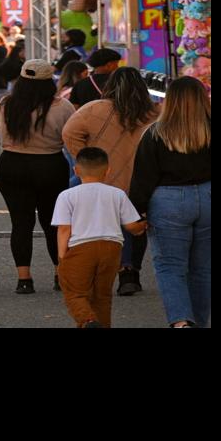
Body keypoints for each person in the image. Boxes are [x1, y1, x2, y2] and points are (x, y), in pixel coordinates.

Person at [62, 67, 160, 297]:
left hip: (104, 176)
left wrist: (87, 160)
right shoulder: (154, 112)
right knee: (136, 224)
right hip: (142, 178)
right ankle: (130, 272)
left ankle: (108, 269)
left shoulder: (94, 109)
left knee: (108, 226)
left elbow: (69, 133)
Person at [128, 76, 211, 328]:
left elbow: (143, 177)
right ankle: (198, 321)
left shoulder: (156, 132)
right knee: (203, 268)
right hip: (208, 197)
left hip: (168, 201)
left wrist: (136, 212)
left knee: (170, 266)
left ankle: (181, 321)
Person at [0, 59, 74, 295]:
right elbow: (70, 133)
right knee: (53, 222)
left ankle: (24, 279)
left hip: (11, 164)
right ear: (49, 81)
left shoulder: (4, 103)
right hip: (50, 164)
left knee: (20, 223)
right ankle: (60, 274)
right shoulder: (62, 106)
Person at [51, 147, 146, 328]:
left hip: (80, 248)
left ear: (76, 170)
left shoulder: (67, 196)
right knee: (102, 296)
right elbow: (132, 226)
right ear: (108, 170)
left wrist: (62, 257)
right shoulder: (117, 194)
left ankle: (88, 321)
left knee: (75, 292)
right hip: (112, 248)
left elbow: (64, 229)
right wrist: (142, 227)